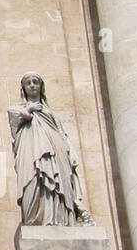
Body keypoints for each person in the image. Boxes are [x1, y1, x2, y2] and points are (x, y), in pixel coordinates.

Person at [7, 72, 93, 226]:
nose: (32, 85)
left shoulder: (50, 113)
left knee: (59, 180)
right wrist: (29, 110)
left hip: (56, 151)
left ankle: (59, 219)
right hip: (31, 151)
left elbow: (62, 134)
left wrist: (70, 151)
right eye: (28, 83)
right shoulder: (16, 109)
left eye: (36, 82)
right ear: (23, 88)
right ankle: (35, 219)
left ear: (41, 86)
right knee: (33, 181)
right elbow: (14, 124)